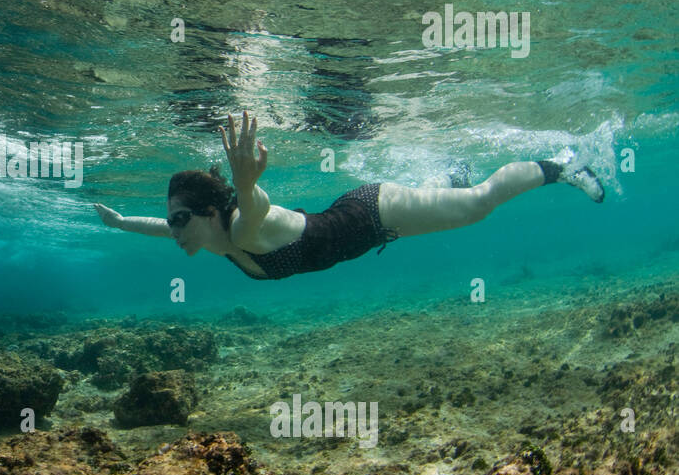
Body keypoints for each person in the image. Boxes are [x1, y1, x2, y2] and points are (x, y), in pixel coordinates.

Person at [93, 111, 604, 281]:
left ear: (208, 212)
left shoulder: (243, 227)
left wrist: (246, 181)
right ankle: (449, 173)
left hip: (371, 213)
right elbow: (159, 228)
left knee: (476, 205)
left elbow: (258, 206)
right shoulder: (206, 237)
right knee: (446, 195)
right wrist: (119, 223)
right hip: (359, 216)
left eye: (180, 220)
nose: (174, 231)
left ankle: (563, 168)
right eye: (173, 223)